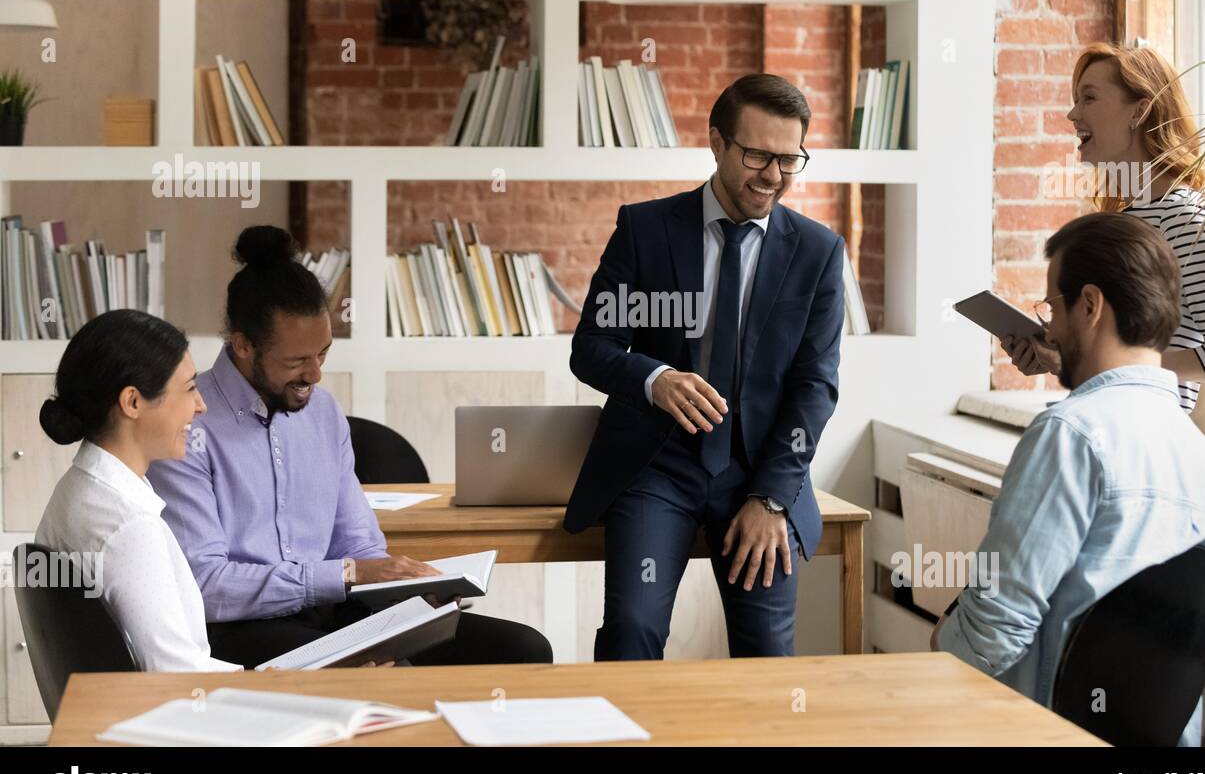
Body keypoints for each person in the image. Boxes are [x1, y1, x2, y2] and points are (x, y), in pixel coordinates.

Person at [149, 226, 552, 668]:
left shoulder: (324, 413)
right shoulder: (189, 422)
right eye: (296, 361)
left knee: (522, 649)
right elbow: (208, 585)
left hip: (336, 612)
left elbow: (358, 544)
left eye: (322, 354)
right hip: (242, 627)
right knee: (385, 672)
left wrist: (405, 588)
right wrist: (346, 576)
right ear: (243, 345)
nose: (315, 375)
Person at [933, 212, 1205, 746]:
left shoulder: (1071, 436)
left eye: (1052, 307)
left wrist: (936, 648)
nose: (1047, 327)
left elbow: (993, 634)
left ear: (1090, 305)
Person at [566, 73, 844, 660]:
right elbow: (591, 345)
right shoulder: (645, 230)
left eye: (789, 160)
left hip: (759, 473)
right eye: (757, 155)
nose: (773, 176)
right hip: (657, 469)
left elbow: (814, 386)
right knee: (632, 632)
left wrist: (771, 499)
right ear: (716, 143)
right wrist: (654, 378)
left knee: (767, 654)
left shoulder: (819, 252)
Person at [1001, 42, 1205, 413]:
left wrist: (1104, 365)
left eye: (1089, 98)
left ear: (1140, 110)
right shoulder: (1125, 220)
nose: (1072, 114)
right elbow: (1114, 361)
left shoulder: (1184, 221)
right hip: (1104, 429)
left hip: (1144, 443)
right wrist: (1061, 355)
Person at [34, 310, 241, 672]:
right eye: (190, 388)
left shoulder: (81, 487)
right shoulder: (127, 526)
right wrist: (278, 684)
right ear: (132, 402)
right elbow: (175, 674)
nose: (201, 405)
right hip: (174, 716)